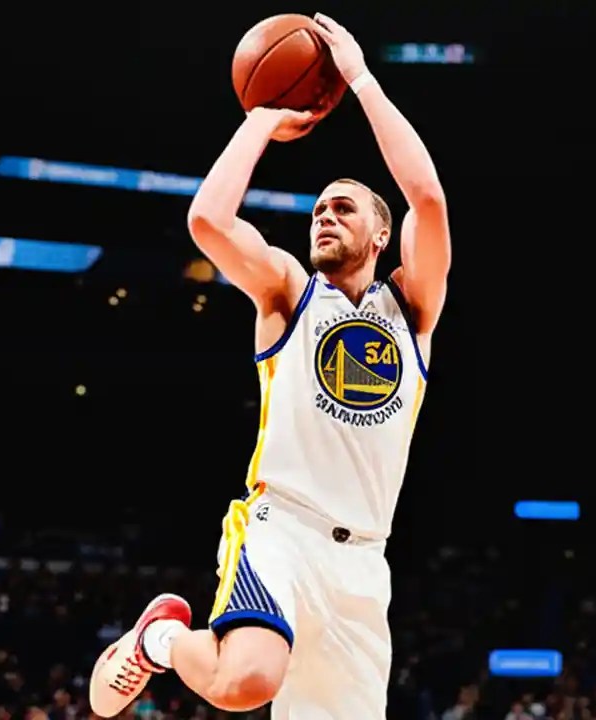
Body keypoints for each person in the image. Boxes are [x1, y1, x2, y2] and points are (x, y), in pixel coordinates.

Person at [89, 12, 451, 719]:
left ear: (381, 233)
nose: (324, 217)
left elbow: (429, 200)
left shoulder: (410, 310)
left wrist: (361, 80)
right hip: (279, 529)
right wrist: (264, 118)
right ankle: (161, 638)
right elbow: (209, 223)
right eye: (318, 209)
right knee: (245, 682)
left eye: (343, 209)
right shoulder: (289, 289)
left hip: (363, 564)